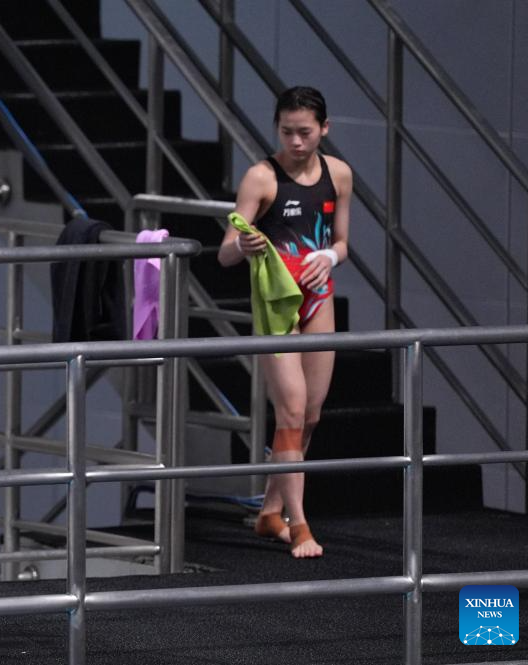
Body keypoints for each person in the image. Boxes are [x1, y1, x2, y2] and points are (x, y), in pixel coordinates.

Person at [217, 86, 352, 559]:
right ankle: (299, 525)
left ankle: (270, 513)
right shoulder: (261, 178)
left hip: (318, 298)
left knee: (310, 415)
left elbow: (342, 243)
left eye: (305, 133)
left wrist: (329, 259)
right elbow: (225, 252)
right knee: (290, 411)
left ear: (324, 130)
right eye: (286, 132)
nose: (296, 142)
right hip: (277, 306)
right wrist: (243, 246)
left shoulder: (339, 175)